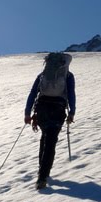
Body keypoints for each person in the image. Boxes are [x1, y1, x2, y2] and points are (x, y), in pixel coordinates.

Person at [24, 52, 76, 189]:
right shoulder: (68, 76)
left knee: (45, 137)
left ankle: (42, 170)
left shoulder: (42, 75)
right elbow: (71, 94)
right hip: (58, 109)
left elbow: (33, 93)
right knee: (51, 141)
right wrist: (72, 112)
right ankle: (42, 177)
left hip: (41, 109)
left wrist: (27, 113)